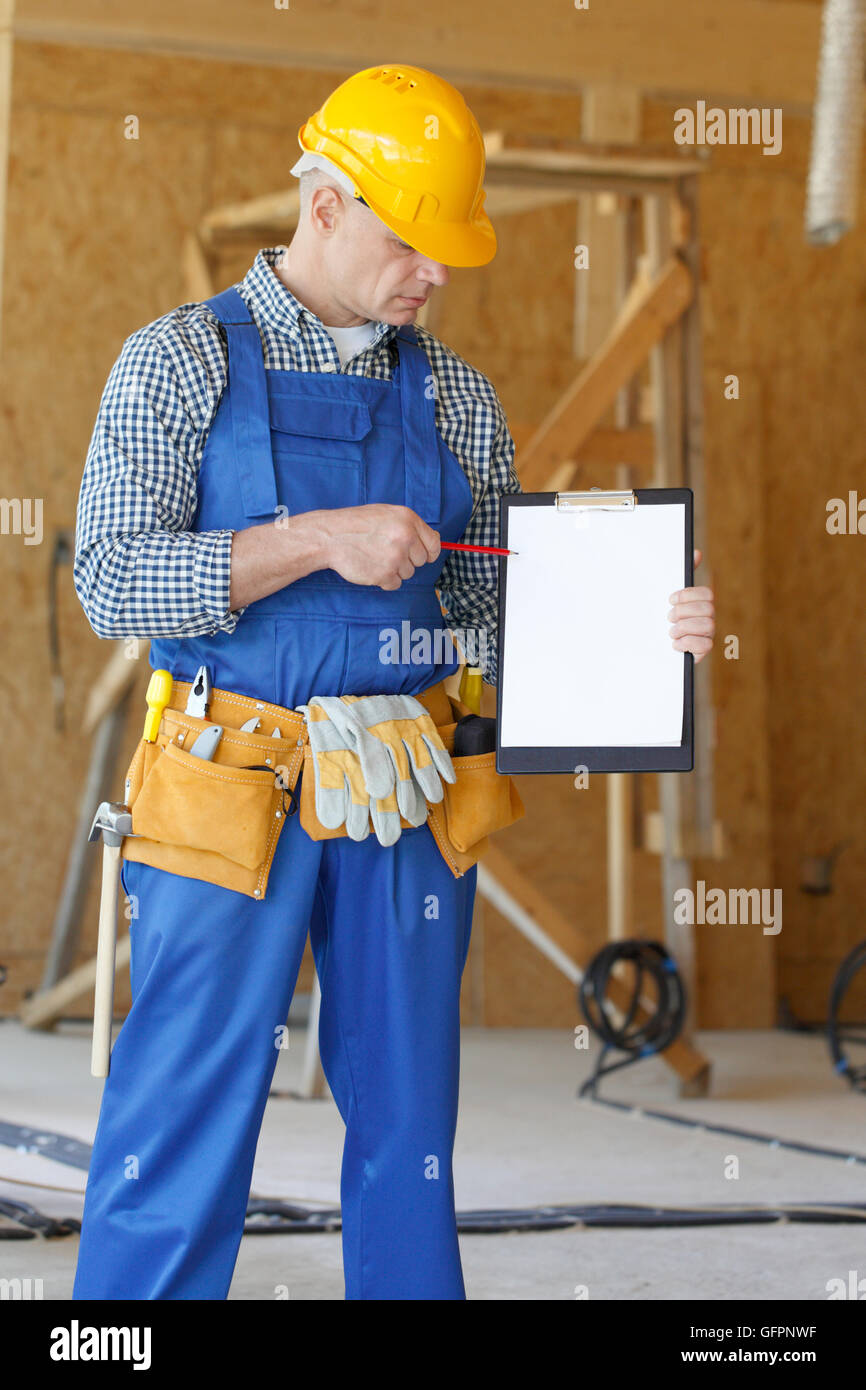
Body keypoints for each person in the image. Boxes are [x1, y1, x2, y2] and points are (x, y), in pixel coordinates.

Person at [71, 63, 715, 1301]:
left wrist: (645, 633)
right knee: (184, 1108)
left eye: (444, 254)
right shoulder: (176, 362)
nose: (434, 275)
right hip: (227, 785)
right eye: (413, 244)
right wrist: (320, 538)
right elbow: (111, 578)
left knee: (410, 1126)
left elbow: (488, 613)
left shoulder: (456, 396)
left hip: (403, 791)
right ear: (325, 205)